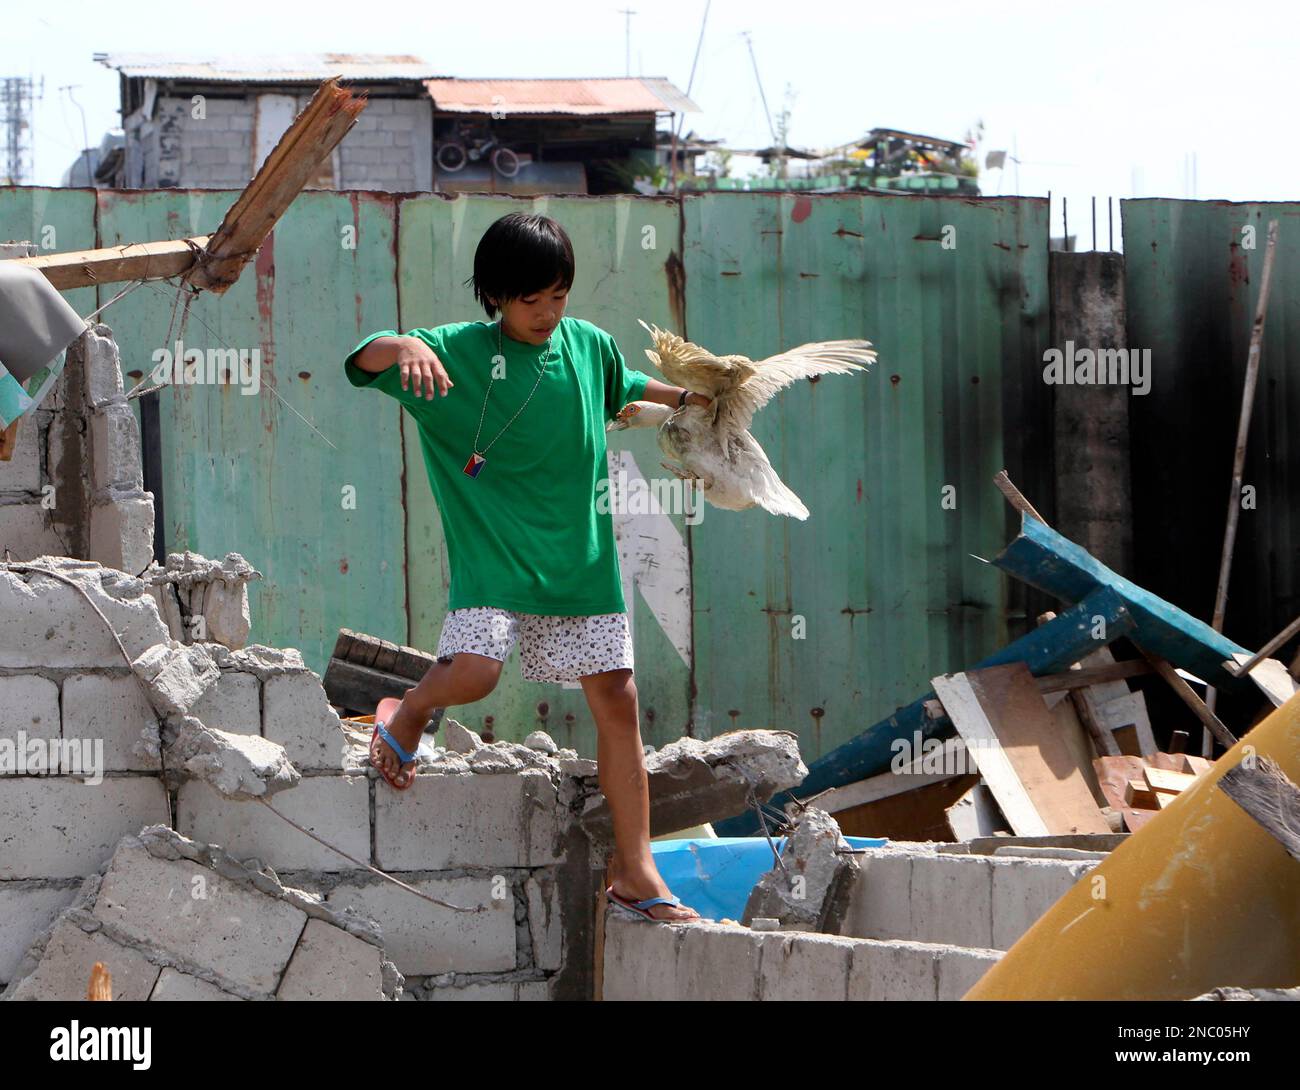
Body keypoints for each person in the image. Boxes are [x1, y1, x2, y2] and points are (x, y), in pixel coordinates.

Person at [344, 211, 710, 922]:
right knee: (476, 675)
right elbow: (361, 362)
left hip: (580, 557)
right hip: (496, 550)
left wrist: (691, 398)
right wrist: (405, 344)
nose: (546, 314)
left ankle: (637, 872)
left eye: (558, 297)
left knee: (619, 702)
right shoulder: (454, 353)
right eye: (529, 300)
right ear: (493, 295)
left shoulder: (587, 344)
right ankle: (410, 710)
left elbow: (622, 383)